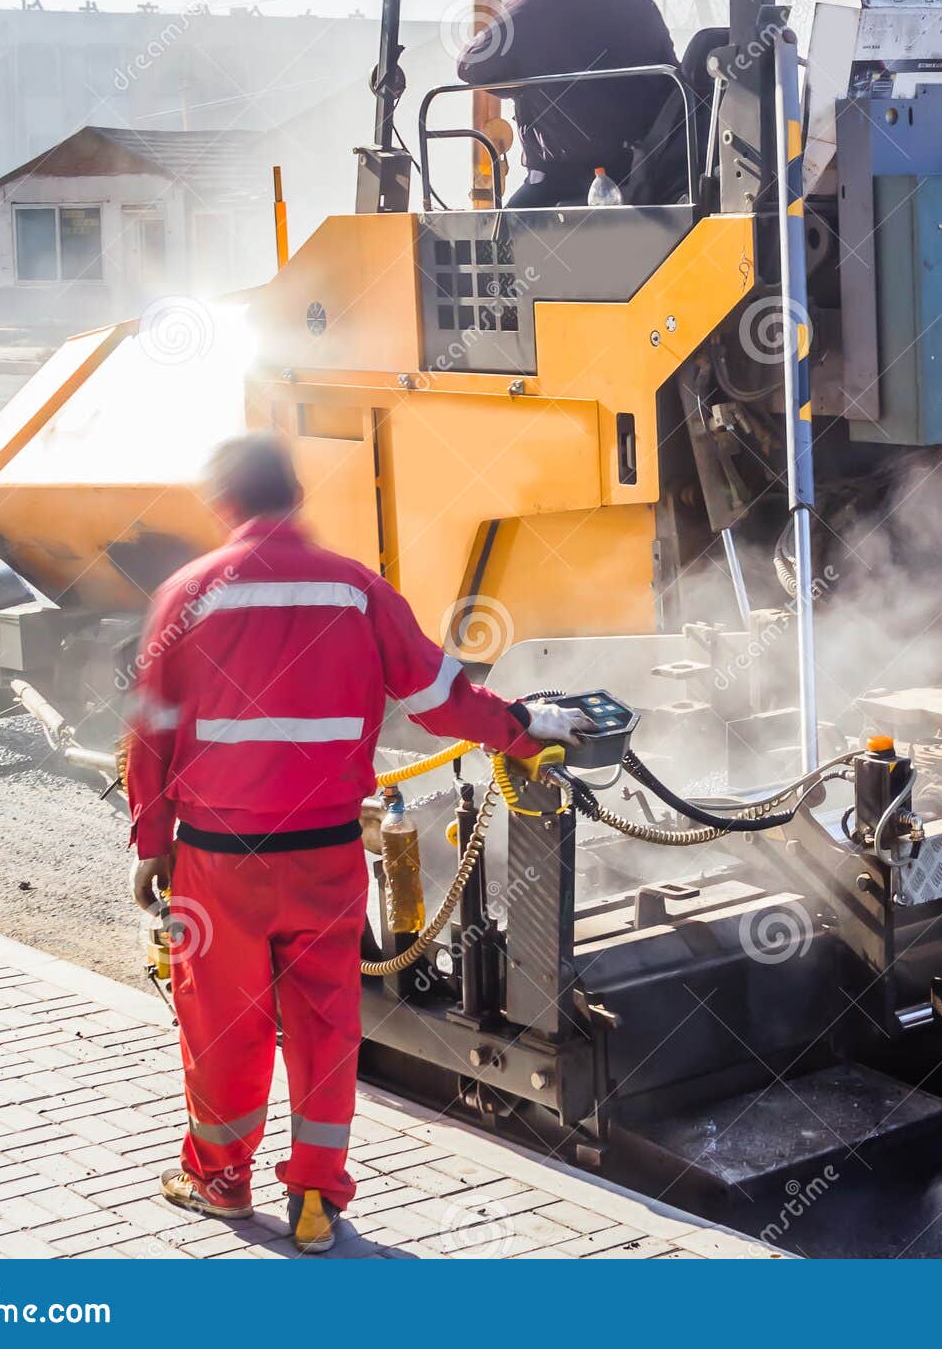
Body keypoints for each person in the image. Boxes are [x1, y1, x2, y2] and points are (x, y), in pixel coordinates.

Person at [123, 432, 592, 1254]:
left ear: (224, 504)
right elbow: (443, 698)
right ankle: (315, 1202)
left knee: (221, 1024)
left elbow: (152, 732)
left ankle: (221, 1181)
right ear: (294, 499)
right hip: (326, 852)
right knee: (325, 1023)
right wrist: (525, 730)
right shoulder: (357, 589)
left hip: (217, 859)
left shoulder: (189, 594)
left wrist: (150, 841)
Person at [456, 0, 676, 207]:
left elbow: (472, 66)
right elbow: (671, 88)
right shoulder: (642, 8)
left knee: (496, 247)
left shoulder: (532, 8)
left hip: (558, 182)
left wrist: (523, 84)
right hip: (642, 182)